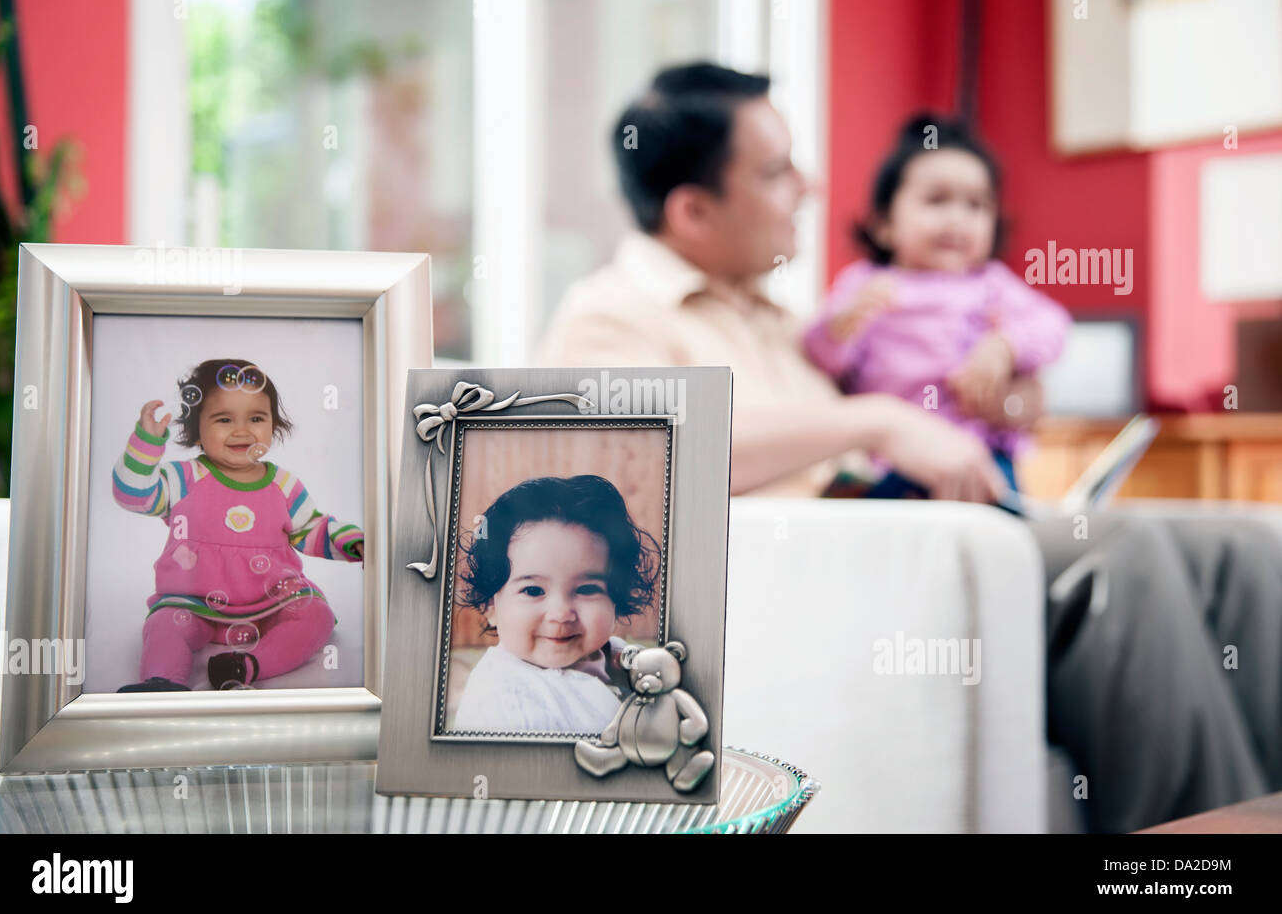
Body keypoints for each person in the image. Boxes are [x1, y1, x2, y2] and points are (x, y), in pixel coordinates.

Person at [535, 61, 1282, 832]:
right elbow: (636, 462)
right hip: (826, 588)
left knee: (1235, 546)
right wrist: (877, 420)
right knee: (1116, 555)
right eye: (777, 170)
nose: (812, 185)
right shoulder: (609, 316)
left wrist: (1010, 398)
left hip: (913, 539)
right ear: (692, 210)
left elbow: (931, 388)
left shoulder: (777, 320)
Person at [803, 114, 1071, 493]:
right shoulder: (867, 284)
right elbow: (825, 358)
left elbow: (1052, 326)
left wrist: (1004, 347)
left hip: (980, 453)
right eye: (937, 200)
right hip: (893, 459)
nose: (957, 219)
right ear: (884, 224)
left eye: (976, 205)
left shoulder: (991, 285)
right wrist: (842, 324)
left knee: (1000, 531)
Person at [113, 358, 363, 692]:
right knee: (164, 625)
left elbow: (313, 529)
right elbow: (132, 494)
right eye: (224, 419)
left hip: (271, 602)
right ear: (195, 430)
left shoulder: (283, 485)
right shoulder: (184, 478)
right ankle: (163, 684)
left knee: (316, 615)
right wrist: (145, 444)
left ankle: (244, 665)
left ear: (273, 425)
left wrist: (353, 542)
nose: (242, 430)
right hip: (192, 602)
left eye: (256, 418)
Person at [451, 475, 660, 735]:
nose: (561, 614)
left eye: (586, 589)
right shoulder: (508, 708)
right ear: (490, 605)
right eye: (533, 590)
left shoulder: (616, 657)